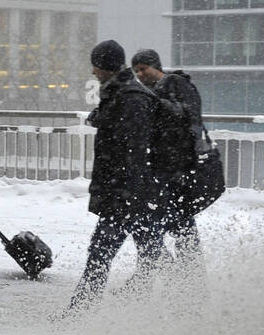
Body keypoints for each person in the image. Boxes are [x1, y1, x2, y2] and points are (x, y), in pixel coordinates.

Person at [65, 40, 174, 311]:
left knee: (102, 253)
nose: (93, 71)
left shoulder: (131, 98)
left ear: (106, 66)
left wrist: (127, 195)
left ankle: (80, 311)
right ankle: (182, 297)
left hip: (127, 195)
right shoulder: (119, 94)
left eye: (96, 65)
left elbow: (136, 152)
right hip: (127, 193)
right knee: (150, 250)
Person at [131, 49, 205, 275]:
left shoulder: (176, 83)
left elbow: (190, 118)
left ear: (156, 66)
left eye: (143, 69)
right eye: (136, 71)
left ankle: (181, 275)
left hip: (176, 170)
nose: (140, 74)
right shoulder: (150, 92)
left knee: (168, 223)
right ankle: (182, 275)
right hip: (159, 169)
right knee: (170, 222)